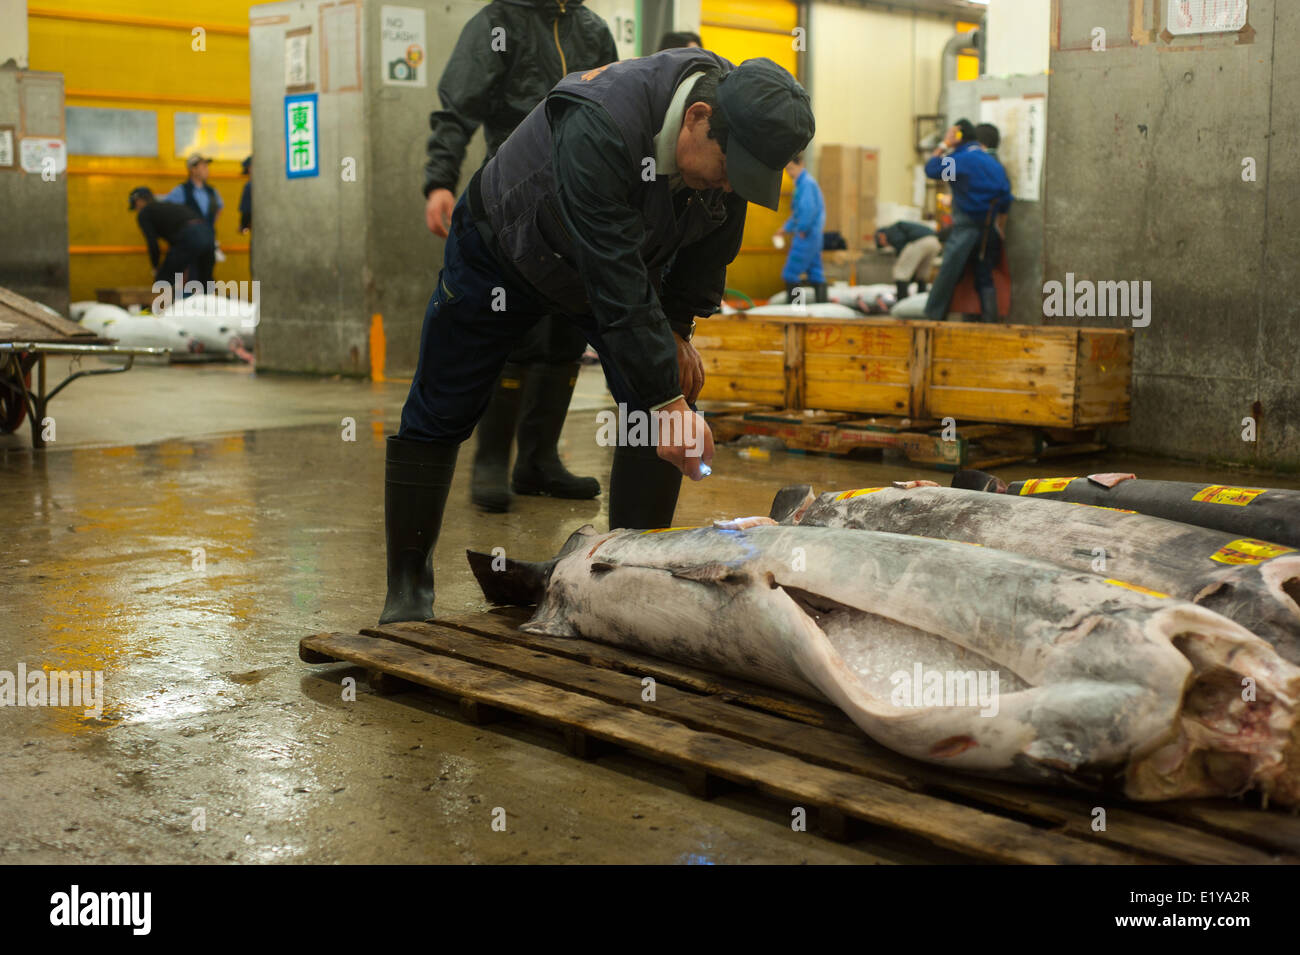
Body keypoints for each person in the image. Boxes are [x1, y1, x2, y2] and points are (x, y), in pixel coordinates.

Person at [381, 50, 815, 624]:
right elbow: (612, 276)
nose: (730, 185)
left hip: (611, 264)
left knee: (666, 380)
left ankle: (629, 583)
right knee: (442, 404)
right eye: (728, 168)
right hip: (504, 249)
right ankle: (408, 588)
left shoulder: (730, 152)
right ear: (697, 117)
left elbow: (706, 250)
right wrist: (665, 398)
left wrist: (677, 338)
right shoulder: (603, 123)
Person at [423, 0, 618, 514]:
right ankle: (491, 459)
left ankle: (538, 461)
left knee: (565, 330)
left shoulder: (592, 28)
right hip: (512, 190)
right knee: (513, 329)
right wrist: (440, 180)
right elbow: (457, 104)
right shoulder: (497, 24)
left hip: (579, 195)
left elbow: (615, 104)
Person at [922, 119, 1012, 323]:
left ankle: (931, 319)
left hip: (966, 227)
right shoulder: (993, 163)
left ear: (959, 135)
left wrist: (944, 144)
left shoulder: (960, 159)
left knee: (948, 274)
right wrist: (1000, 225)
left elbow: (932, 170)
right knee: (984, 277)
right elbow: (1005, 198)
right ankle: (991, 323)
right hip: (989, 230)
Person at [128, 186, 215, 295]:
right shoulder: (169, 206)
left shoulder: (145, 213)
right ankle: (210, 309)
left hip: (190, 235)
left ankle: (161, 310)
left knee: (163, 281)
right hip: (207, 234)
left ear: (139, 202)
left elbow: (153, 244)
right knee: (205, 281)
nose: (137, 210)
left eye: (135, 206)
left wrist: (155, 267)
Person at [779, 153, 826, 304]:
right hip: (813, 235)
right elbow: (798, 213)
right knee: (816, 273)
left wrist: (802, 229)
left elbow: (806, 211)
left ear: (801, 165)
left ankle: (796, 312)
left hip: (806, 235)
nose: (789, 173)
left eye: (791, 168)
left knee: (791, 273)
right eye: (786, 169)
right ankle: (823, 309)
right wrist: (785, 228)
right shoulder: (803, 184)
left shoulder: (805, 185)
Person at [875, 220, 940, 301]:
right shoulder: (899, 227)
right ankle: (921, 299)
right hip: (935, 241)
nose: (885, 245)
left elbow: (902, 247)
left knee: (901, 272)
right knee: (922, 274)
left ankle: (902, 301)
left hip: (920, 241)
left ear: (881, 236)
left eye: (882, 244)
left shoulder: (890, 231)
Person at [164, 153, 223, 227]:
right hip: (188, 237)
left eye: (207, 167)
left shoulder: (212, 191)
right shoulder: (181, 190)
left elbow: (219, 207)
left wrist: (209, 224)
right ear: (193, 169)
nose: (207, 170)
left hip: (208, 236)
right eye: (204, 167)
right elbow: (166, 209)